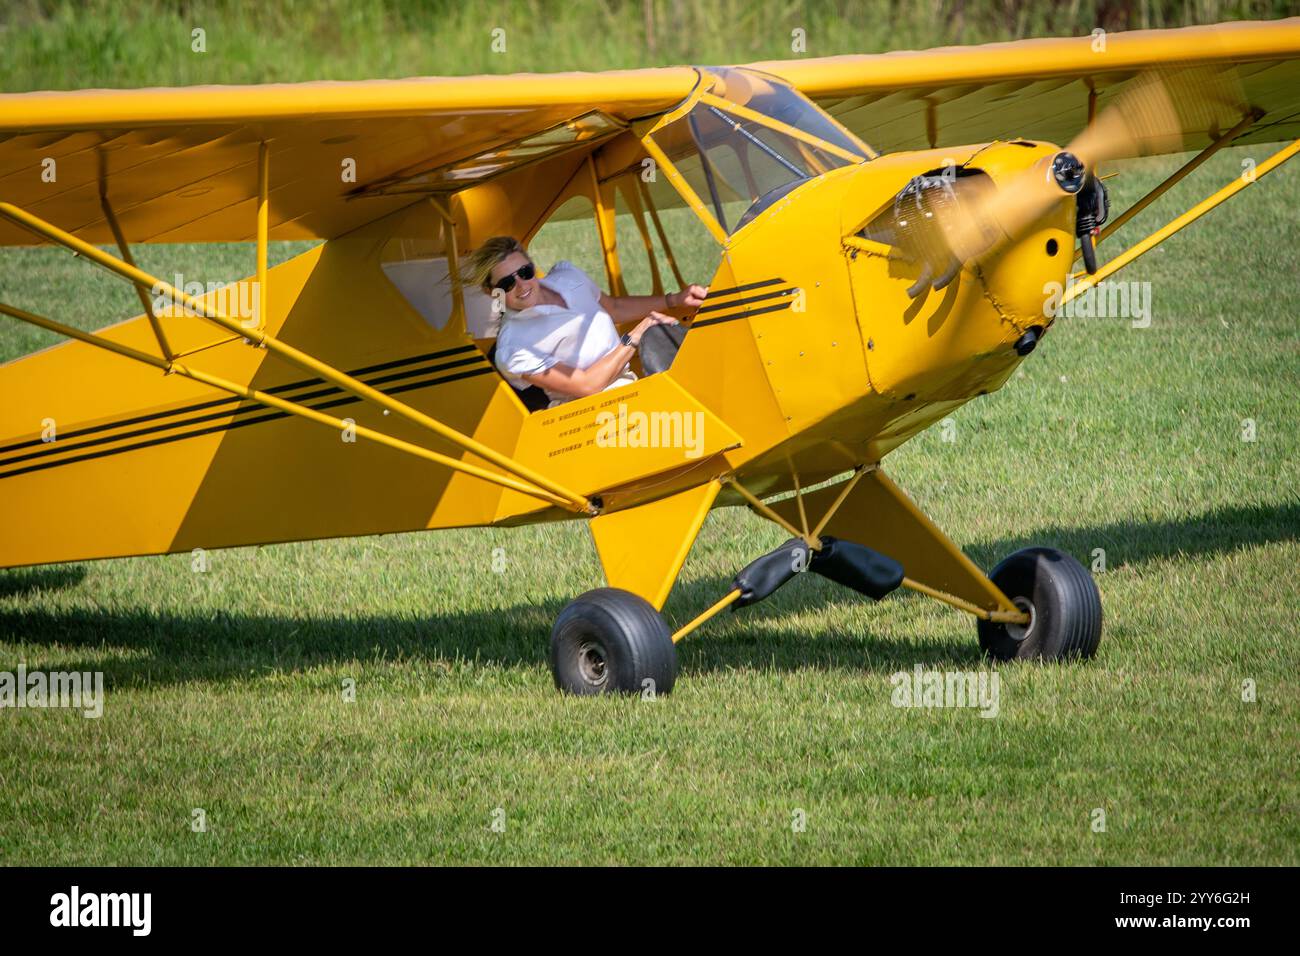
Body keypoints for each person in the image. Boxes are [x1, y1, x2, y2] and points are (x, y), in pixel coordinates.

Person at [462, 236, 707, 408]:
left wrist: (676, 299)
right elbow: (588, 385)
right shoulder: (514, 347)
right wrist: (635, 336)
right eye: (506, 284)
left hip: (631, 391)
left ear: (532, 266)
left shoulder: (568, 276)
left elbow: (614, 308)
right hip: (591, 418)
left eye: (525, 273)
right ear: (490, 291)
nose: (521, 286)